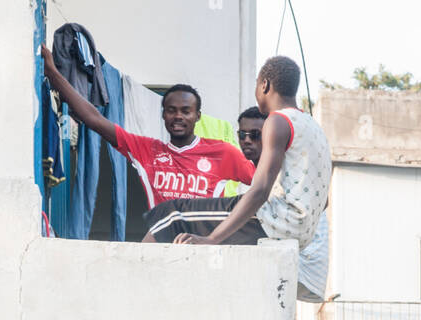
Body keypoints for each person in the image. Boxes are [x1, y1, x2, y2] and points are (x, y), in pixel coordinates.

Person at [41, 46, 255, 242]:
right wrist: (52, 73)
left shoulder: (223, 152)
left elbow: (264, 187)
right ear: (163, 115)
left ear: (197, 116)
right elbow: (94, 119)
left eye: (186, 111)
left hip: (201, 250)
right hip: (159, 248)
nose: (178, 116)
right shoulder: (148, 150)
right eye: (172, 110)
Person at [173, 56, 331, 250]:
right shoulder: (313, 126)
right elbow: (325, 201)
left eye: (257, 85)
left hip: (277, 221)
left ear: (264, 85)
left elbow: (260, 189)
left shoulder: (278, 120)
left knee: (173, 214)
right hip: (301, 233)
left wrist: (212, 239)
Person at [234, 105, 329, 302]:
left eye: (255, 135)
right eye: (242, 135)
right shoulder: (256, 174)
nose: (247, 141)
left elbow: (322, 202)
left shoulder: (285, 168)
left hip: (301, 259)